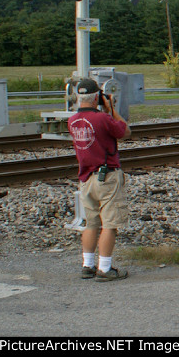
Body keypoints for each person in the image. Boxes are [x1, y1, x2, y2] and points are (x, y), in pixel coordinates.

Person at [68, 78, 132, 282]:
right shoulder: (103, 119)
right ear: (97, 96)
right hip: (107, 177)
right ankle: (105, 268)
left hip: (85, 178)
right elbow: (125, 131)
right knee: (109, 224)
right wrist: (111, 108)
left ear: (78, 97)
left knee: (91, 223)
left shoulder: (73, 120)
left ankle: (87, 264)